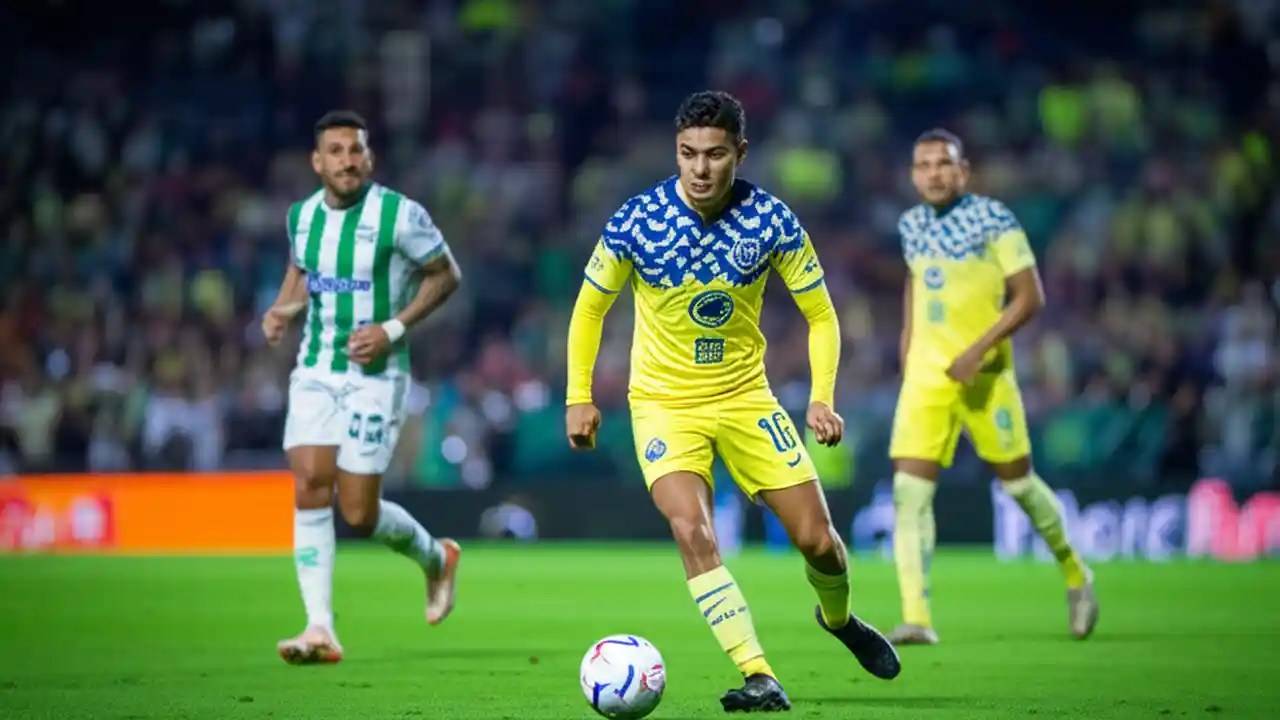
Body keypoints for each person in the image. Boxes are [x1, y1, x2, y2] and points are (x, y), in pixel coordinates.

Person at [564, 91, 900, 713]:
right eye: (687, 153)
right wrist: (577, 395)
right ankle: (758, 673)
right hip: (664, 404)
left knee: (819, 542)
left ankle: (840, 620)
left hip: (747, 398)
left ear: (740, 153)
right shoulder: (639, 220)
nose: (699, 168)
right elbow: (590, 306)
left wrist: (821, 399)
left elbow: (821, 315)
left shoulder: (771, 220)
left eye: (715, 155)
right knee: (692, 529)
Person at [261, 110, 464, 664]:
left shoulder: (400, 215)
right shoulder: (301, 217)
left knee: (358, 513)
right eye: (336, 150)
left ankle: (435, 558)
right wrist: (284, 309)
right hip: (317, 370)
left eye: (356, 150)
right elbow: (303, 272)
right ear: (317, 161)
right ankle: (319, 627)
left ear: (369, 157)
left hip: (378, 376)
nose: (347, 160)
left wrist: (393, 328)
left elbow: (446, 274)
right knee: (308, 482)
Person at [888, 128, 1100, 645]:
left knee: (1020, 486)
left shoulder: (993, 219)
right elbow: (917, 284)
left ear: (963, 171)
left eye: (944, 163)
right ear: (913, 175)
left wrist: (977, 351)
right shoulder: (911, 224)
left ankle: (1077, 574)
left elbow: (1030, 297)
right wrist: (907, 346)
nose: (934, 173)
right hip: (926, 379)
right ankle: (916, 617)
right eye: (923, 165)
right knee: (908, 493)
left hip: (985, 377)